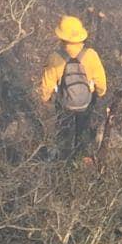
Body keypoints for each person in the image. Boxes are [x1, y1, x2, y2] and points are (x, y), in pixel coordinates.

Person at [39, 15, 108, 160]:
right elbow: (101, 83)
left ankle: (62, 160)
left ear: (61, 37)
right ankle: (79, 161)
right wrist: (100, 93)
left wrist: (45, 98)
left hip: (64, 103)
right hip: (85, 103)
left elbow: (47, 84)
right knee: (82, 131)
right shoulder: (91, 55)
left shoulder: (55, 57)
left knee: (63, 132)